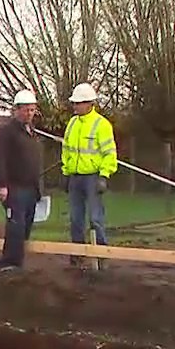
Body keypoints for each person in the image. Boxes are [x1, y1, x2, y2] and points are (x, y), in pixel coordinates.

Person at [61, 82, 117, 261]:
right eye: (74, 103)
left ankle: (101, 255)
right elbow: (66, 150)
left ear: (89, 103)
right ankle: (77, 254)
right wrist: (66, 173)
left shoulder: (102, 125)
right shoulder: (72, 124)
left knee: (95, 218)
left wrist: (104, 176)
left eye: (78, 103)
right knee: (75, 219)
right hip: (75, 178)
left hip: (93, 177)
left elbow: (109, 153)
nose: (75, 106)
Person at [0, 89, 44, 272]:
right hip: (15, 188)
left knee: (26, 226)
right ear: (17, 110)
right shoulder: (6, 132)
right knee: (16, 225)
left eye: (32, 110)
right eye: (26, 110)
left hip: (31, 188)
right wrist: (2, 185)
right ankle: (9, 264)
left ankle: (18, 262)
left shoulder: (31, 132)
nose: (29, 113)